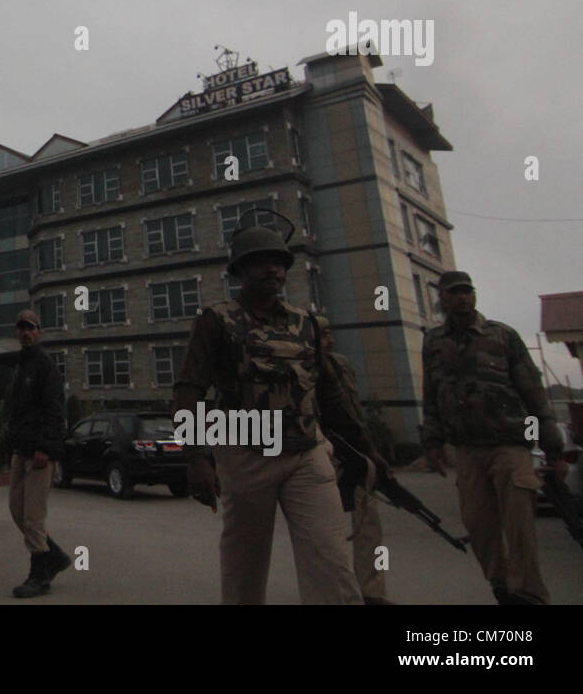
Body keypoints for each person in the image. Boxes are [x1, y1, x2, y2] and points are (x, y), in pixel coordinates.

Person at [172, 212, 387, 604]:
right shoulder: (217, 321)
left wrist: (365, 449)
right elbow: (189, 390)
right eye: (261, 261)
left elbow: (329, 392)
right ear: (240, 269)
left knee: (332, 564)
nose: (273, 269)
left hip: (306, 454)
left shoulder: (307, 322)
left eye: (279, 262)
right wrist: (196, 457)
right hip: (246, 455)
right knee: (245, 566)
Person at [422, 270, 565, 605]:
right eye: (454, 292)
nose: (463, 298)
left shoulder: (501, 335)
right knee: (480, 528)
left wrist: (552, 450)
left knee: (520, 531)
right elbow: (432, 394)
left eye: (467, 291)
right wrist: (432, 442)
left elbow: (534, 395)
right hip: (468, 451)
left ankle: (528, 595)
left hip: (509, 446)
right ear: (442, 297)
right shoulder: (434, 342)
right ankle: (502, 590)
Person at [317, 315, 390, 604]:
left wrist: (373, 453)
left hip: (355, 454)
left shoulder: (342, 365)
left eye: (329, 334)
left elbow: (355, 415)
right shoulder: (301, 367)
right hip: (320, 454)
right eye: (322, 335)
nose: (330, 340)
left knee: (368, 526)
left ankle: (372, 592)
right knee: (324, 531)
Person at [3, 308, 69, 598]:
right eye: (21, 328)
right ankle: (53, 555)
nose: (25, 332)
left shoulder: (44, 365)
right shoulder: (21, 365)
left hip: (40, 454)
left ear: (38, 331)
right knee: (16, 510)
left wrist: (45, 448)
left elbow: (55, 411)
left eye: (30, 327)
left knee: (33, 517)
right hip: (21, 449)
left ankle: (39, 575)